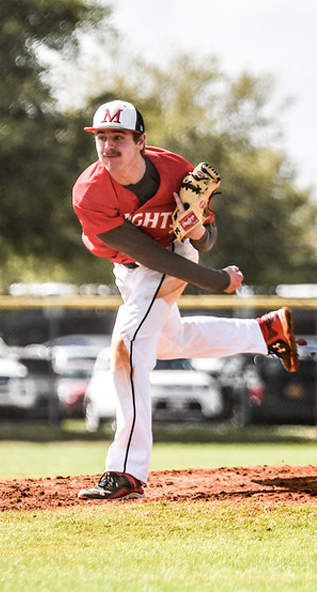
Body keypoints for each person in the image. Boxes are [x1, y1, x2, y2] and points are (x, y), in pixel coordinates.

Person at [71, 99, 298, 500]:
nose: (108, 146)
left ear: (140, 141)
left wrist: (195, 232)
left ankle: (126, 470)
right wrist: (216, 282)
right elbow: (146, 256)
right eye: (101, 137)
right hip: (136, 268)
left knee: (127, 346)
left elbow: (207, 239)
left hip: (176, 258)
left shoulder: (175, 171)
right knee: (170, 341)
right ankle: (265, 332)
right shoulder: (90, 193)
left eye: (118, 137)